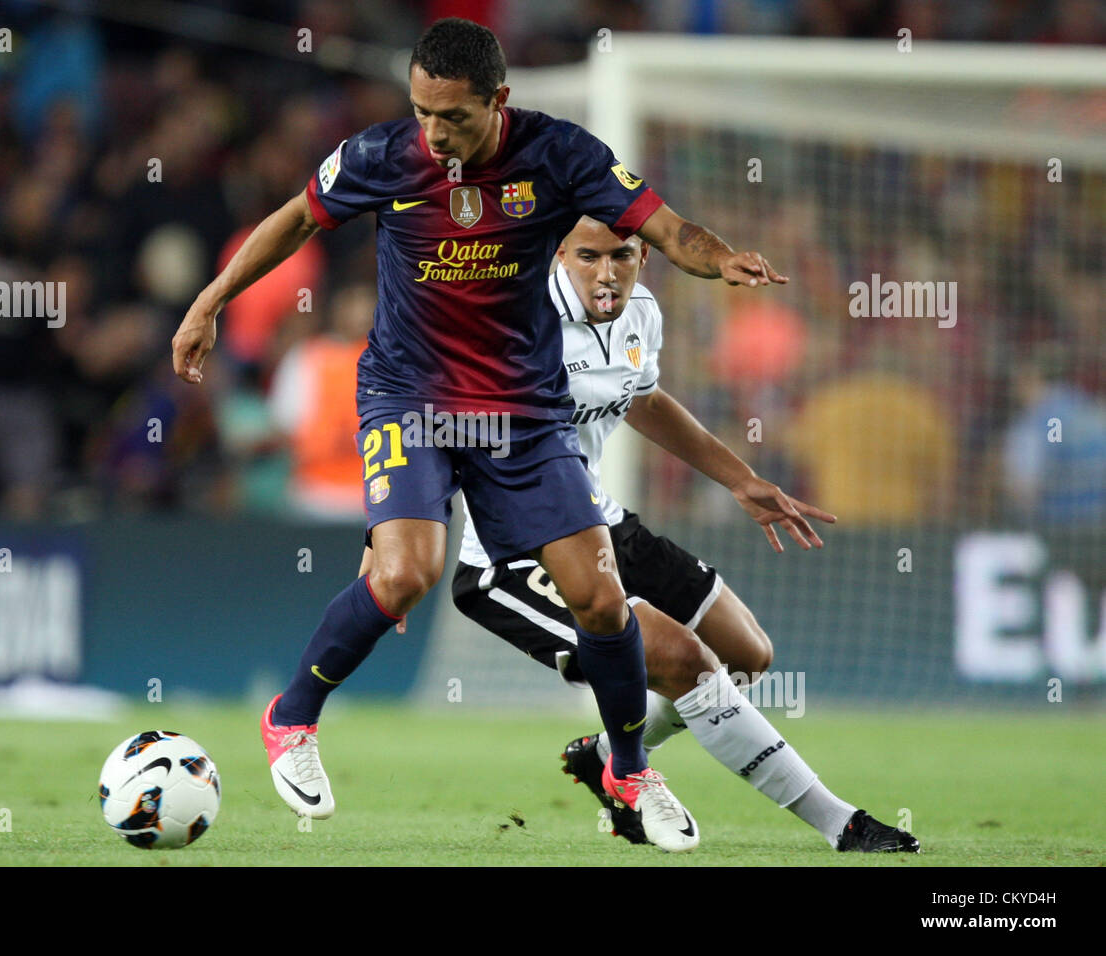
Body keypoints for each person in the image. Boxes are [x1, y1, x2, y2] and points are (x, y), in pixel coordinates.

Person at [171, 18, 789, 852]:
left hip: (521, 411)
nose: (433, 132)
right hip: (409, 397)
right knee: (406, 572)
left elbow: (666, 230)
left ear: (498, 101)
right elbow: (295, 220)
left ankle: (629, 770)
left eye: (452, 116)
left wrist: (720, 258)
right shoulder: (381, 158)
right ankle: (292, 717)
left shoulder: (563, 155)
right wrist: (212, 299)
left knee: (602, 599)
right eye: (421, 111)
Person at [447, 217, 920, 852]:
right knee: (683, 661)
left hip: (599, 521)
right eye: (588, 256)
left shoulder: (641, 309)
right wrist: (394, 538)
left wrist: (739, 478)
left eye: (622, 255)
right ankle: (842, 824)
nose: (607, 272)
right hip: (511, 552)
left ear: (644, 254)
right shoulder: (515, 324)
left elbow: (642, 399)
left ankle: (607, 755)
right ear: (558, 253)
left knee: (748, 656)